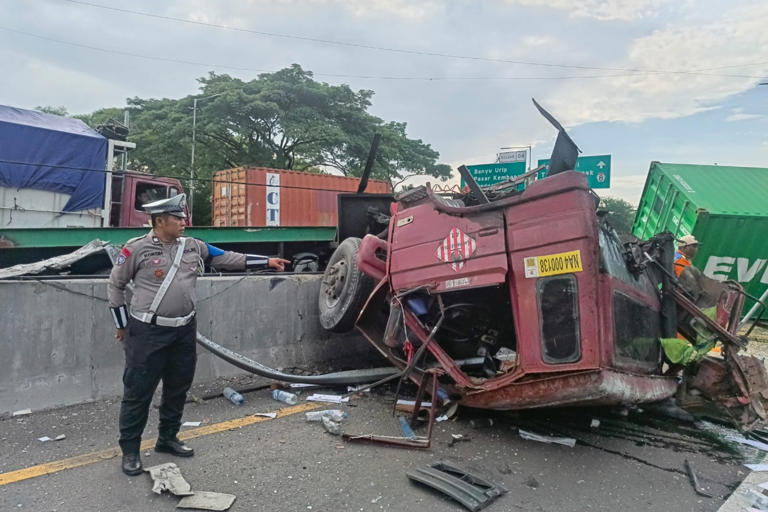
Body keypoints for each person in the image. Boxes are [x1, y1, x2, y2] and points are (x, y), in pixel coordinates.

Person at [107, 193, 290, 476]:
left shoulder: (193, 246)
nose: (184, 222)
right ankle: (130, 451)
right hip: (147, 332)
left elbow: (226, 257)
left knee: (178, 387)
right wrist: (121, 325)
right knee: (138, 392)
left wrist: (267, 260)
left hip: (183, 330)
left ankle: (168, 438)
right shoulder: (136, 249)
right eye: (178, 218)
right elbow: (115, 285)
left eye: (183, 217)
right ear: (160, 221)